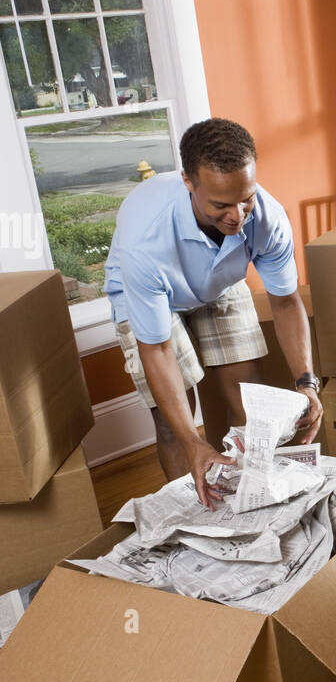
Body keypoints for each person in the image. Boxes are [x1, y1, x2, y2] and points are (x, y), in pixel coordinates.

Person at [104, 117, 322, 508]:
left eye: (247, 198)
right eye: (221, 205)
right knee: (175, 425)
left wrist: (306, 381)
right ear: (189, 182)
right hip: (155, 291)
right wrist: (194, 442)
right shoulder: (145, 242)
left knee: (248, 401)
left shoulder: (267, 218)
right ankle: (196, 512)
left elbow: (286, 301)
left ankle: (255, 501)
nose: (238, 216)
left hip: (218, 279)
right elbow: (156, 349)